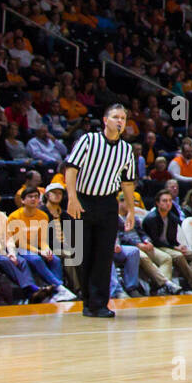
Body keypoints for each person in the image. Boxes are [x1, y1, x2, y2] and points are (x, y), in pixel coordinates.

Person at [64, 103, 139, 318]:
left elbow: (127, 183)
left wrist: (131, 211)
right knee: (80, 255)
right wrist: (72, 198)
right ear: (105, 120)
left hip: (108, 203)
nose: (120, 121)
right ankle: (86, 299)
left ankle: (99, 304)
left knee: (104, 256)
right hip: (82, 200)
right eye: (116, 117)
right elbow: (71, 168)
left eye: (123, 118)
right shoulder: (88, 140)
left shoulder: (127, 150)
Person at [142, 190, 192, 292]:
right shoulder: (151, 218)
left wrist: (180, 246)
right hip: (156, 248)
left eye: (169, 200)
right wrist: (175, 248)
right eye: (164, 201)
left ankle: (191, 286)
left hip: (169, 247)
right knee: (178, 255)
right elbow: (155, 241)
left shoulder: (173, 218)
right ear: (157, 203)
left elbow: (172, 239)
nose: (168, 203)